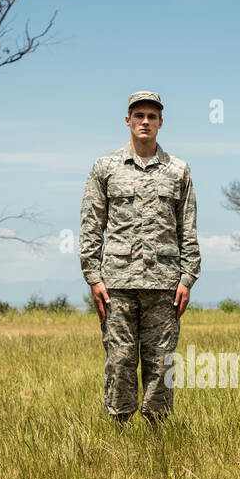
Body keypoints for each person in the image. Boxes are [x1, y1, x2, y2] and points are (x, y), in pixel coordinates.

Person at [79, 91, 200, 423]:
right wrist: (93, 278)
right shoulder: (106, 167)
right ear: (128, 121)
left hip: (164, 284)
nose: (145, 121)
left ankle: (157, 435)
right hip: (117, 283)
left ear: (161, 123)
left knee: (162, 363)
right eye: (139, 116)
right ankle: (119, 430)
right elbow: (92, 225)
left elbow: (187, 227)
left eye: (152, 116)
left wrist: (187, 279)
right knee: (120, 360)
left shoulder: (178, 170)